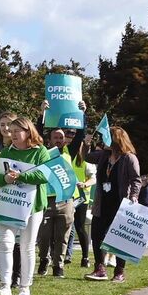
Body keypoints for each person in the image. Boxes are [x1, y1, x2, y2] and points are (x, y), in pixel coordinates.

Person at [0, 116, 51, 295]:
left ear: (28, 131)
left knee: (27, 246)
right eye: (11, 131)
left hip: (33, 207)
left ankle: (25, 287)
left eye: (17, 131)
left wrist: (21, 176)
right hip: (8, 204)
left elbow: (45, 175)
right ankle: (5, 286)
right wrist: (5, 179)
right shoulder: (6, 152)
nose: (12, 134)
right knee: (6, 244)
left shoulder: (40, 151)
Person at [85, 127, 141, 283]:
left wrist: (133, 196)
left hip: (120, 203)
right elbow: (87, 157)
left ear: (116, 139)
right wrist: (86, 143)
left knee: (119, 239)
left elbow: (136, 179)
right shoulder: (104, 156)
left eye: (107, 137)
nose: (103, 141)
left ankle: (119, 272)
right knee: (96, 235)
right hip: (102, 203)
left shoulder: (129, 158)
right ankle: (100, 268)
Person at [34, 119, 84, 278]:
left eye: (61, 137)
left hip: (66, 200)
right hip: (47, 200)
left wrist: (82, 113)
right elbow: (36, 134)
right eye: (55, 137)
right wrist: (42, 115)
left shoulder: (70, 152)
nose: (59, 140)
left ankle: (58, 266)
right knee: (44, 236)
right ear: (49, 139)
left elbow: (80, 134)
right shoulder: (43, 153)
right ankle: (44, 258)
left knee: (63, 236)